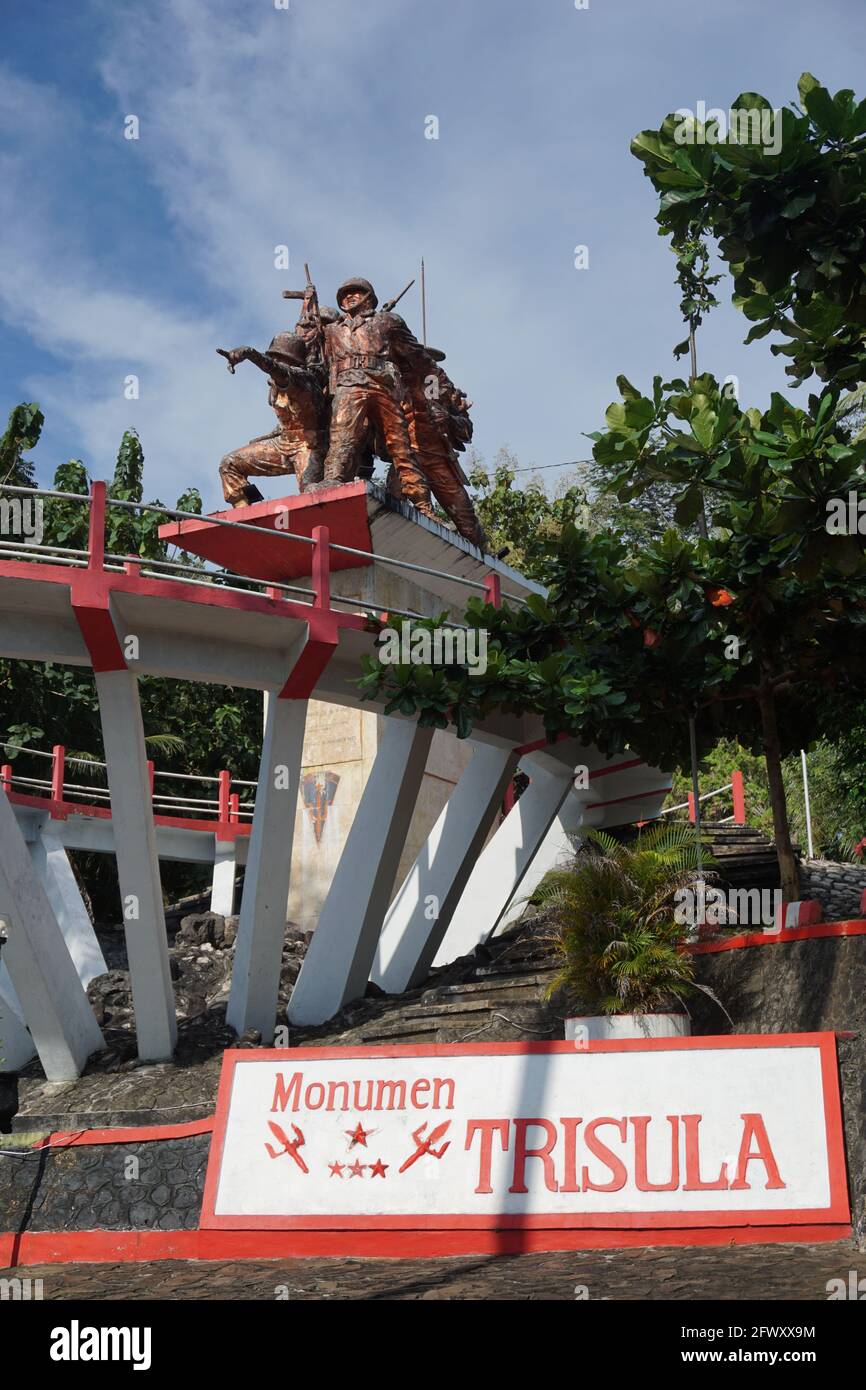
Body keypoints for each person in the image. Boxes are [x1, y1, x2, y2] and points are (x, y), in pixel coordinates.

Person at [216, 333, 327, 506]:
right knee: (229, 464)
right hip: (283, 442)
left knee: (310, 492)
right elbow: (289, 420)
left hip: (308, 446)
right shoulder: (275, 386)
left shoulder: (303, 380)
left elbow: (277, 371)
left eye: (278, 358)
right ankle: (243, 512)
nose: (273, 362)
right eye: (272, 357)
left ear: (293, 362)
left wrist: (248, 353)